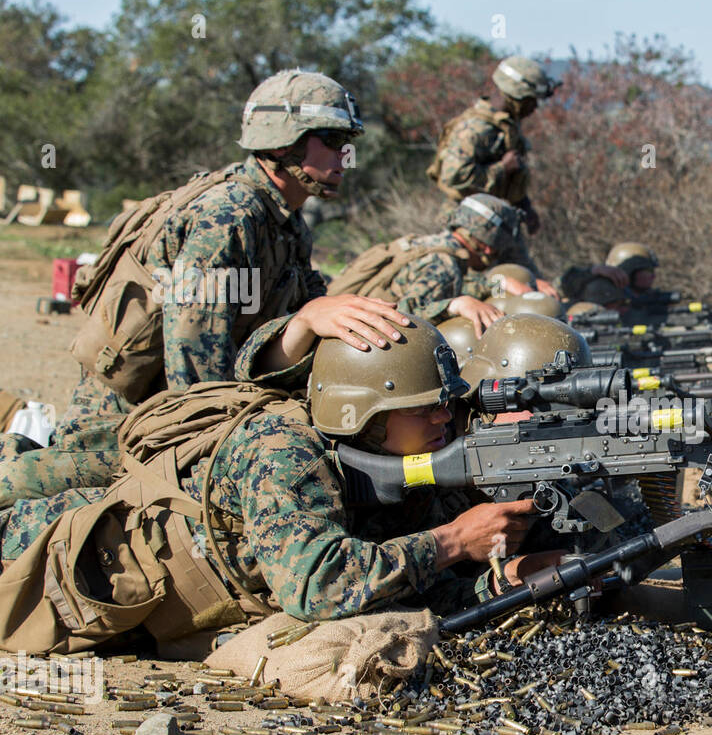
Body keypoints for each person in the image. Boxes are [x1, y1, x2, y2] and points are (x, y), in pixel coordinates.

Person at [0, 319, 563, 653]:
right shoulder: (283, 451)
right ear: (363, 413)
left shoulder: (407, 455)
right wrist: (453, 542)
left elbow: (400, 588)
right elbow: (319, 587)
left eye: (449, 401)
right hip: (56, 565)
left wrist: (504, 580)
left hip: (166, 612)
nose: (447, 417)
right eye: (427, 407)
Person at [0, 69, 409, 507]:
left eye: (348, 143)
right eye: (331, 140)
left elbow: (304, 324)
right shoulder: (229, 217)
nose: (345, 157)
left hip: (180, 413)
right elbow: (193, 377)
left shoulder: (286, 224)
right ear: (280, 143)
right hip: (127, 426)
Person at [329, 194, 524, 336]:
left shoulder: (423, 244)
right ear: (489, 247)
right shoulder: (445, 263)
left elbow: (440, 287)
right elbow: (406, 314)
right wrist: (454, 305)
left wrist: (498, 284)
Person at [427, 56, 559, 236]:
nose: (535, 106)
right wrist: (502, 168)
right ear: (516, 97)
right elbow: (453, 177)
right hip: (464, 222)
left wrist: (524, 205)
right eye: (531, 100)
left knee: (519, 266)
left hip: (496, 218)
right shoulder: (475, 129)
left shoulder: (507, 125)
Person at [558, 242, 661, 307]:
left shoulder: (644, 297)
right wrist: (593, 271)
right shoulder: (599, 288)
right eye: (648, 271)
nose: (653, 276)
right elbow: (563, 286)